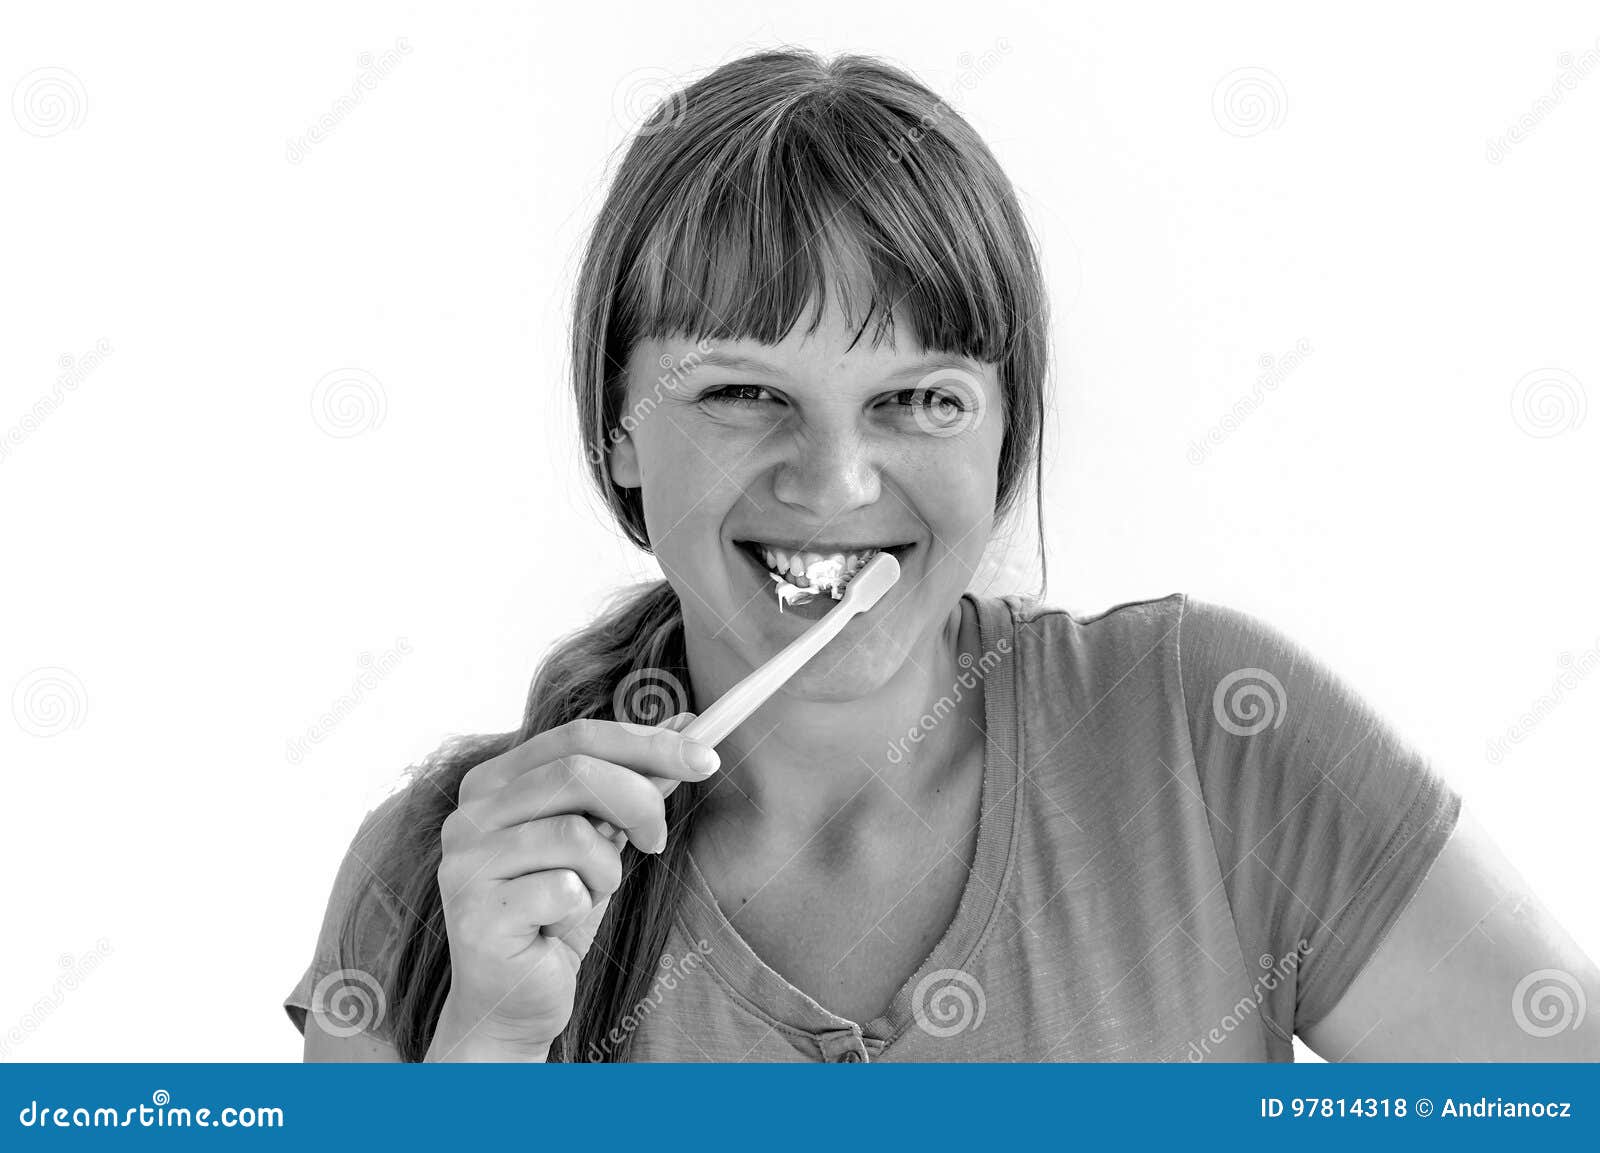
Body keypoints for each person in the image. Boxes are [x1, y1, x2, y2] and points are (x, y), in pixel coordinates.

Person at [285, 48, 1599, 1062]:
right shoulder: (439, 879)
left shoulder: (1211, 735)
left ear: (1002, 433)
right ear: (620, 426)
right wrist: (485, 1060)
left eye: (919, 398)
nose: (837, 482)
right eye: (745, 393)